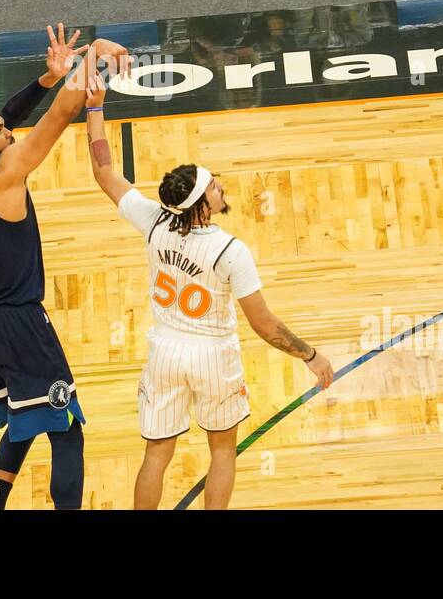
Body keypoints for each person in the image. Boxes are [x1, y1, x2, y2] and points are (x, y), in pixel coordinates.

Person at [83, 74, 335, 509]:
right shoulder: (230, 251)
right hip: (213, 356)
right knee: (222, 448)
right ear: (202, 204)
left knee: (157, 453)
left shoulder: (154, 221)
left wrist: (94, 109)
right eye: (214, 186)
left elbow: (104, 170)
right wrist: (310, 355)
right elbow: (265, 325)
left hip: (164, 350)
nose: (221, 188)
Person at [0, 24, 130, 509]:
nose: (10, 128)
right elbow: (64, 113)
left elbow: (6, 117)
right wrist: (95, 62)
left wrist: (46, 78)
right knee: (67, 429)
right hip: (16, 322)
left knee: (25, 415)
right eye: (0, 131)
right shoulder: (6, 176)